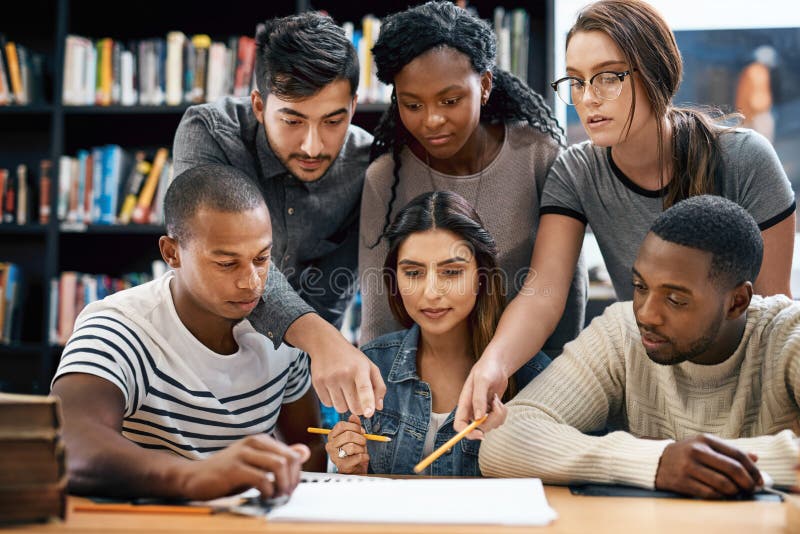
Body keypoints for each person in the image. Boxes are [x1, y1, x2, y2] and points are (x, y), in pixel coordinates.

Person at [455, 0, 796, 436]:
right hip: (654, 382)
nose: (588, 98)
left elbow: (772, 310)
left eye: (608, 77)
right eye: (576, 81)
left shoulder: (745, 158)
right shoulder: (576, 170)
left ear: (656, 73)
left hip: (742, 388)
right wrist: (494, 364)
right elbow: (543, 293)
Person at [480, 195, 800, 498]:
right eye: (640, 286)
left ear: (737, 302)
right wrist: (656, 460)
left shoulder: (788, 333)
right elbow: (504, 440)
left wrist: (694, 463)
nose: (646, 314)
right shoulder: (620, 333)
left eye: (675, 299)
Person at [51, 164, 325, 500]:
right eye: (227, 263)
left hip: (252, 520)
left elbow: (308, 445)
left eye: (261, 258)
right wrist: (195, 477)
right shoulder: (120, 326)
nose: (252, 282)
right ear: (171, 253)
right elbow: (68, 444)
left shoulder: (283, 329)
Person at [172, 12, 385, 418]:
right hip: (194, 354)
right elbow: (223, 260)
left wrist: (321, 351)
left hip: (293, 367)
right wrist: (322, 340)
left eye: (333, 121)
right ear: (258, 105)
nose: (312, 146)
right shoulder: (210, 132)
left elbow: (330, 297)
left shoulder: (368, 166)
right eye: (292, 120)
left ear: (354, 106)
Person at [359, 0, 587, 356]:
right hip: (423, 378)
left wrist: (555, 379)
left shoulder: (538, 156)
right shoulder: (386, 178)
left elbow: (567, 293)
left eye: (450, 101)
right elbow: (379, 317)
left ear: (484, 85)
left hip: (531, 368)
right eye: (413, 105)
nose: (432, 120)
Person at [329, 191, 550, 475]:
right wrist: (348, 464)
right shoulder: (370, 367)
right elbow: (349, 478)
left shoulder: (533, 375)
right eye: (413, 273)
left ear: (481, 276)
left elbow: (556, 486)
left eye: (451, 272)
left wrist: (505, 445)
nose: (431, 292)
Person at [735, 45, 777, 143]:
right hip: (756, 114)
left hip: (747, 114)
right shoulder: (757, 72)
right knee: (763, 143)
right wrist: (761, 114)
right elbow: (756, 97)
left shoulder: (752, 70)